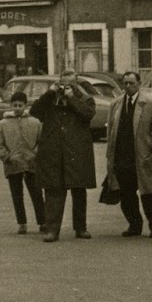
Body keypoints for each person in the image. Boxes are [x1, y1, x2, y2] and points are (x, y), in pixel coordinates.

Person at [31, 68, 97, 241]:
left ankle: (80, 227)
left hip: (76, 152)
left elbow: (88, 114)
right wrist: (49, 93)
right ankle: (52, 229)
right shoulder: (51, 100)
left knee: (79, 190)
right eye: (62, 84)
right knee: (53, 190)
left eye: (70, 84)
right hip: (54, 152)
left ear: (76, 84)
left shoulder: (84, 98)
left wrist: (72, 98)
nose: (65, 87)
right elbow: (34, 111)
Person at [104, 70, 152, 238]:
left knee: (148, 192)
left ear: (139, 84)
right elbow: (110, 131)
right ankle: (134, 225)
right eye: (125, 83)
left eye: (132, 83)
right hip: (122, 156)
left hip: (142, 155)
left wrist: (151, 145)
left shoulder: (150, 103)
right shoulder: (116, 104)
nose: (128, 86)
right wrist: (110, 154)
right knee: (126, 194)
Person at [0, 89, 45, 234]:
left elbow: (42, 141)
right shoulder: (2, 124)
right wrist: (7, 157)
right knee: (17, 195)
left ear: (25, 105)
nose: (17, 108)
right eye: (14, 105)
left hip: (31, 163)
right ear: (10, 106)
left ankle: (43, 221)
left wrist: (35, 154)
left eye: (20, 105)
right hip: (13, 164)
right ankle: (22, 223)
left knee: (36, 194)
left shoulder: (35, 122)